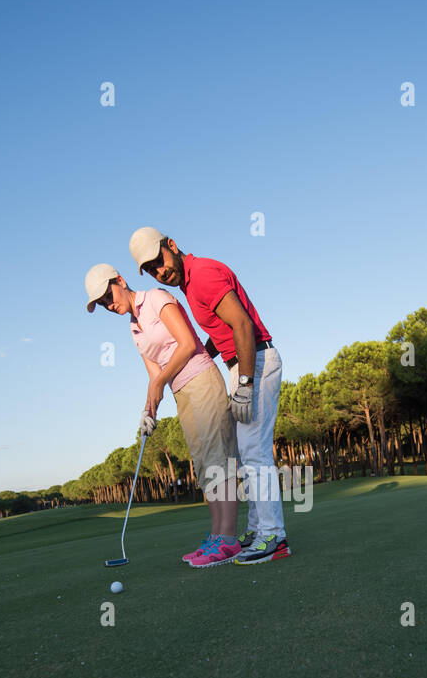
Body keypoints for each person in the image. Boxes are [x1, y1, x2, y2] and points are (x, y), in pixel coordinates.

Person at [128, 227, 290, 565]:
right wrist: (211, 357)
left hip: (255, 361)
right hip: (243, 363)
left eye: (160, 260)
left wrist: (244, 382)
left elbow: (243, 325)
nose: (161, 271)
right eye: (152, 269)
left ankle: (274, 538)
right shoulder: (190, 283)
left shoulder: (201, 275)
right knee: (247, 455)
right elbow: (224, 329)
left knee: (253, 453)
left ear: (172, 245)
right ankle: (260, 529)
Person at [83, 263, 239, 567]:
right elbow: (155, 375)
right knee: (204, 464)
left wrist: (157, 382)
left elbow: (187, 343)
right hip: (182, 391)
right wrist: (149, 409)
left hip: (202, 378)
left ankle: (229, 539)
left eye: (108, 295)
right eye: (102, 304)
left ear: (120, 280)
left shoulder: (155, 298)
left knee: (218, 458)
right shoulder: (134, 327)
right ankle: (217, 536)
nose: (109, 305)